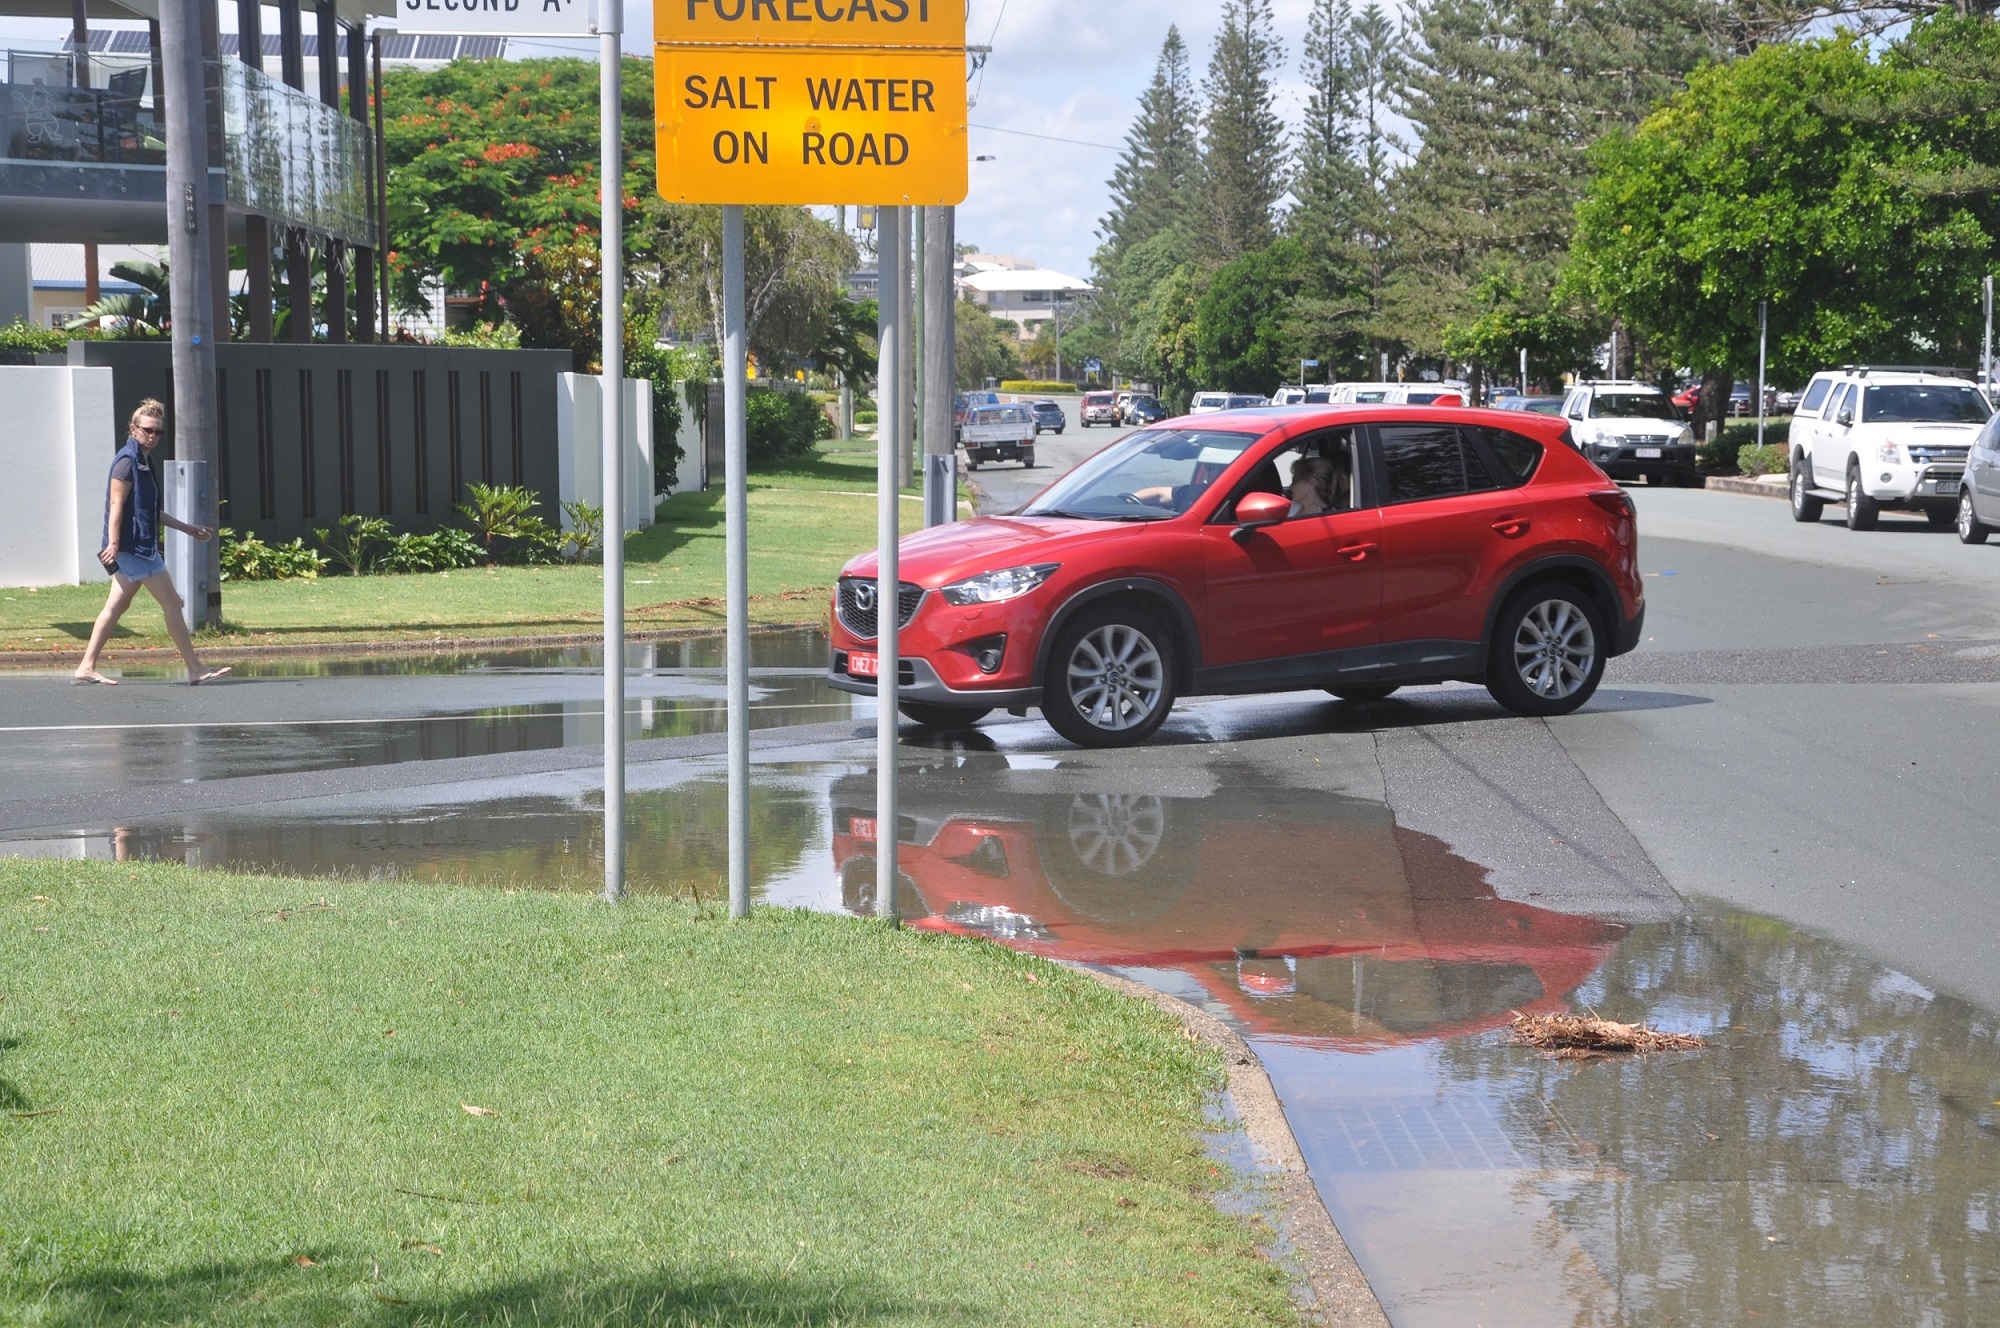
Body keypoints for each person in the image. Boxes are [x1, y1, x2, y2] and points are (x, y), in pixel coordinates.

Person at [73, 400, 231, 686]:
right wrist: (113, 542)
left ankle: (86, 666)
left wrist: (189, 529)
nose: (153, 436)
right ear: (133, 429)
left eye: (158, 431)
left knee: (115, 607)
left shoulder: (145, 461)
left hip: (137, 546)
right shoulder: (126, 461)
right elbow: (116, 504)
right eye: (147, 430)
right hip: (134, 548)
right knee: (172, 602)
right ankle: (195, 669)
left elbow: (151, 511)